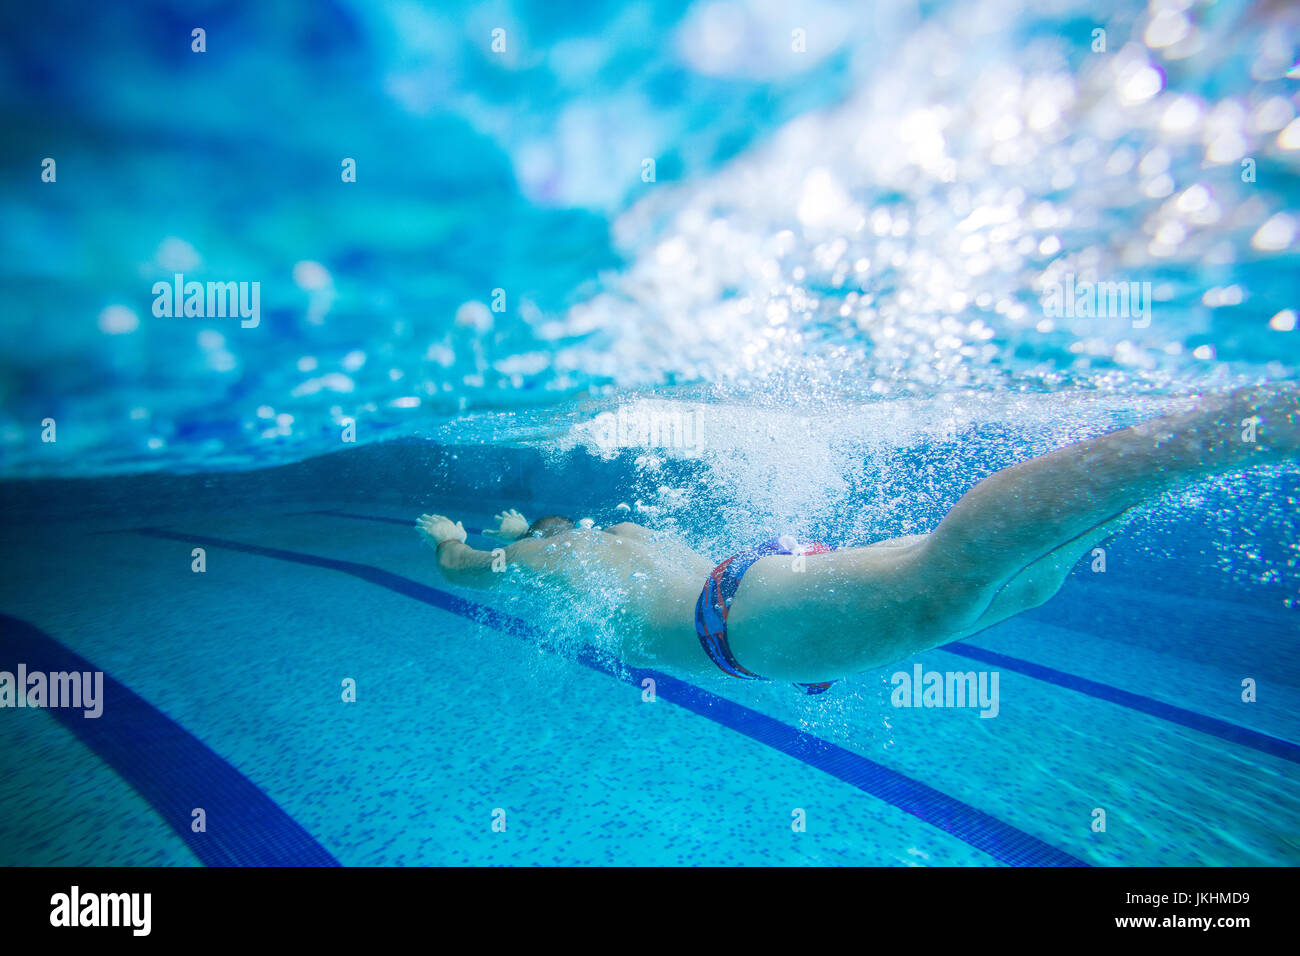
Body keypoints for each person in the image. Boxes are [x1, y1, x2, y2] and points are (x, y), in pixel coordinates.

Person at [416, 384, 1298, 693]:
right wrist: (489, 537)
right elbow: (501, 557)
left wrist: (457, 540)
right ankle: (1192, 457)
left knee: (951, 575)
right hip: (748, 592)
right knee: (1020, 587)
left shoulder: (562, 554)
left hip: (740, 627)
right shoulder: (619, 534)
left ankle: (1204, 438)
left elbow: (471, 568)